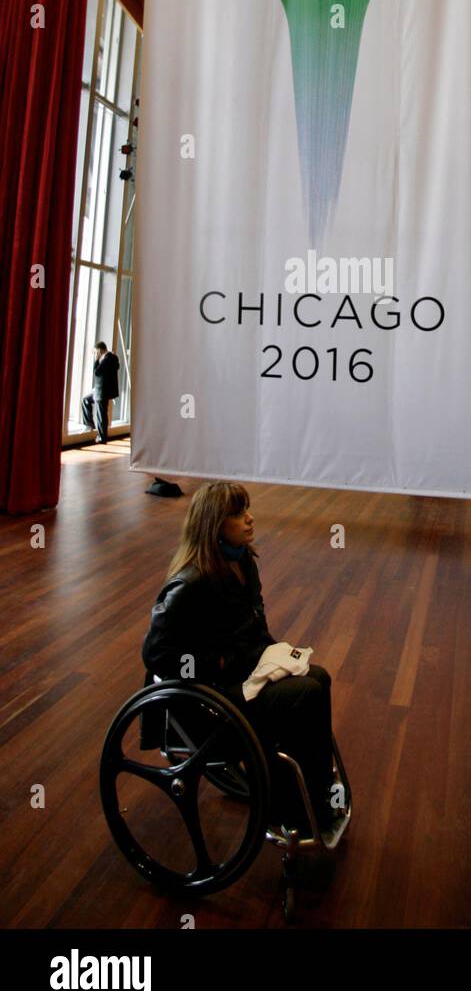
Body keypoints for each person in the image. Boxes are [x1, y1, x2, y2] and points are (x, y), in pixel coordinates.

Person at [141, 480, 341, 836]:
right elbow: (156, 654)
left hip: (243, 673)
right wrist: (218, 662)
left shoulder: (243, 561)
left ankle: (318, 790)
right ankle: (293, 810)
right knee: (303, 695)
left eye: (247, 509)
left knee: (319, 677)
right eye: (237, 513)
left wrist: (274, 655)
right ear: (214, 525)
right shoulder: (190, 584)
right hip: (209, 696)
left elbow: (254, 619)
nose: (249, 519)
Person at [82, 341, 120, 443]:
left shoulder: (107, 358)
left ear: (99, 350)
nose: (95, 354)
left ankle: (102, 437)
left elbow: (97, 372)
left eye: (95, 352)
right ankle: (89, 424)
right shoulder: (113, 357)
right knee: (85, 400)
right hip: (100, 389)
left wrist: (96, 360)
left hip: (102, 391)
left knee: (101, 414)